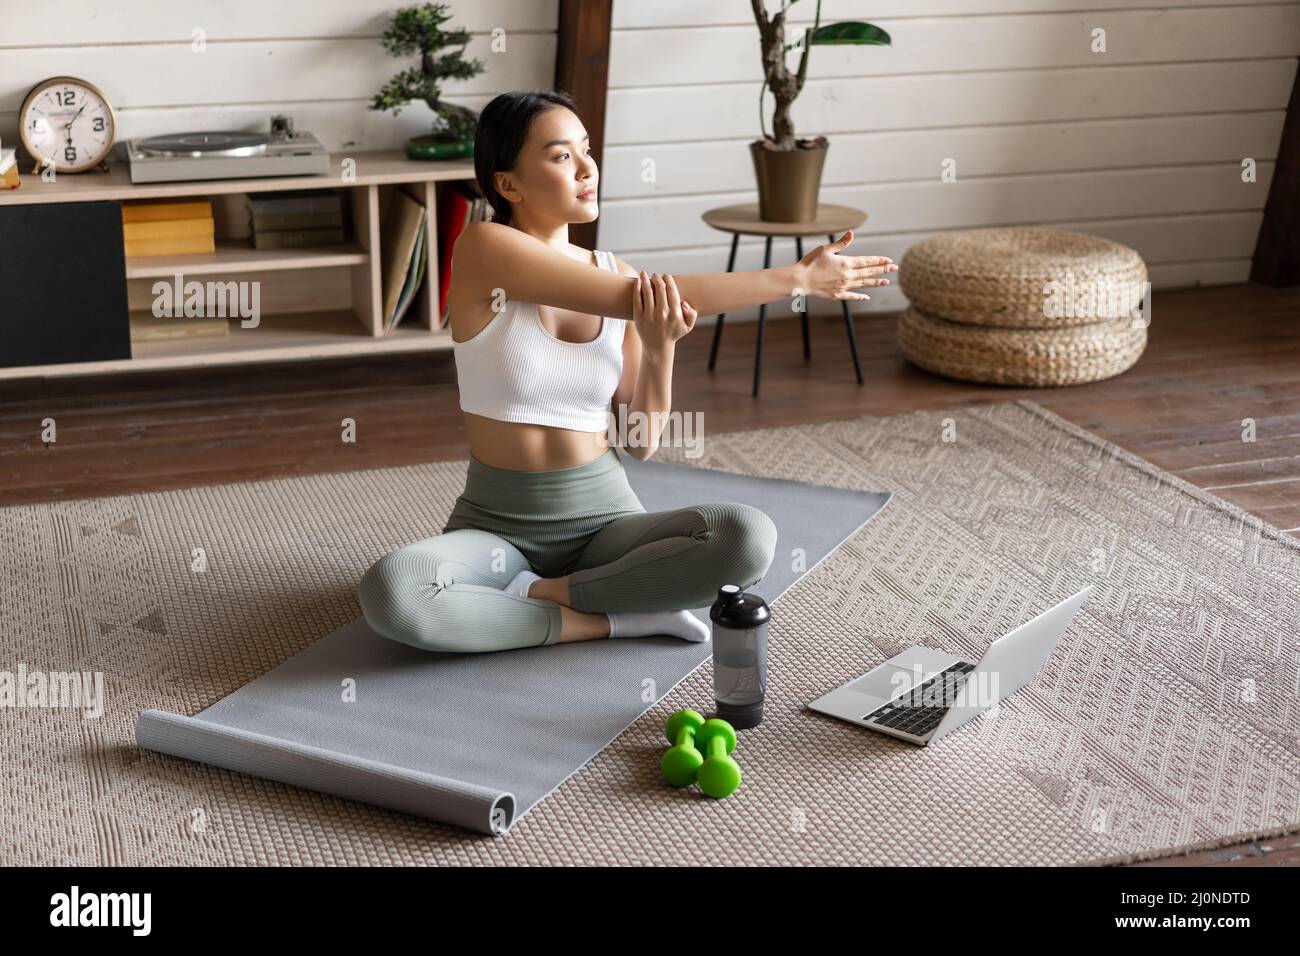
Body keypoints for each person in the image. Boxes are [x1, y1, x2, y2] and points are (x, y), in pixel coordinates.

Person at [358, 89, 897, 653]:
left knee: (744, 535)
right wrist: (796, 279)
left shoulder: (623, 280)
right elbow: (639, 297)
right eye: (561, 155)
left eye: (586, 151)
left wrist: (661, 347)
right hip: (495, 528)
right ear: (509, 184)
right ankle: (613, 617)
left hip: (606, 523)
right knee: (395, 592)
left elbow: (640, 443)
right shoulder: (485, 247)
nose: (588, 168)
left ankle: (546, 594)